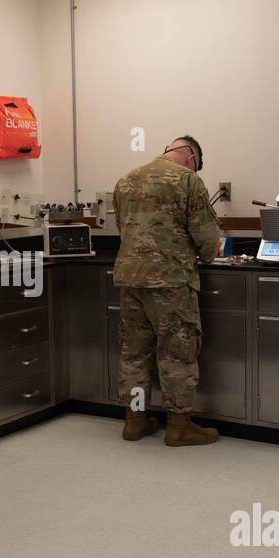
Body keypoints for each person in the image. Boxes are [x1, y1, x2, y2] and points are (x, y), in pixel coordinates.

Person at [112, 135, 221, 447]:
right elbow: (208, 240)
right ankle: (179, 426)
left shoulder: (126, 179)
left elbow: (124, 227)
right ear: (190, 159)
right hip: (170, 281)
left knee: (134, 352)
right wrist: (209, 252)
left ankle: (134, 421)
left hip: (130, 279)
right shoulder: (187, 181)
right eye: (197, 166)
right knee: (177, 352)